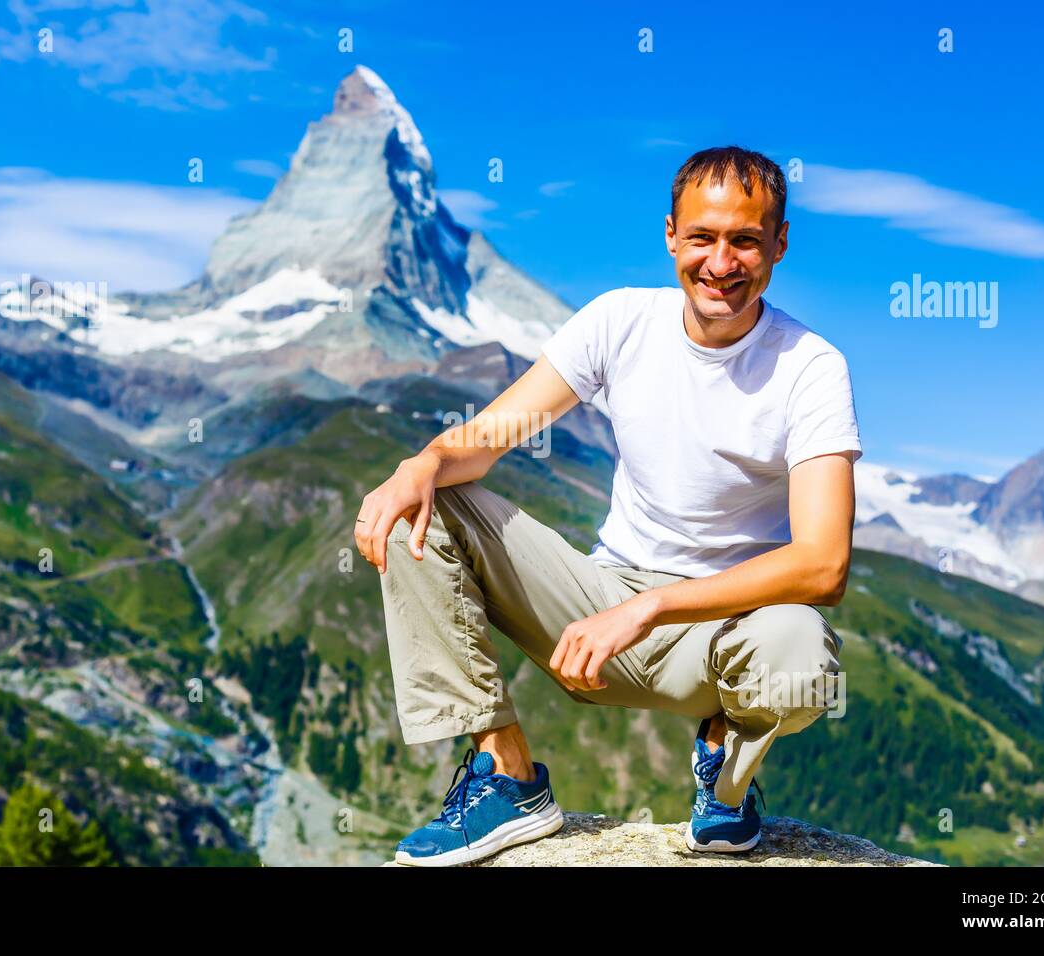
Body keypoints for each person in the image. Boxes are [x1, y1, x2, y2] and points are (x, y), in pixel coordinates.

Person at [354, 146, 859, 866]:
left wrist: (651, 608)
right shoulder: (618, 320)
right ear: (670, 236)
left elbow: (823, 565)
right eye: (702, 238)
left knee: (802, 655)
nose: (721, 263)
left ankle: (727, 780)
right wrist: (423, 463)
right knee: (421, 503)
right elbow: (487, 440)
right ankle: (508, 777)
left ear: (778, 244)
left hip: (720, 635)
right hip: (595, 605)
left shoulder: (811, 366)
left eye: (745, 240)